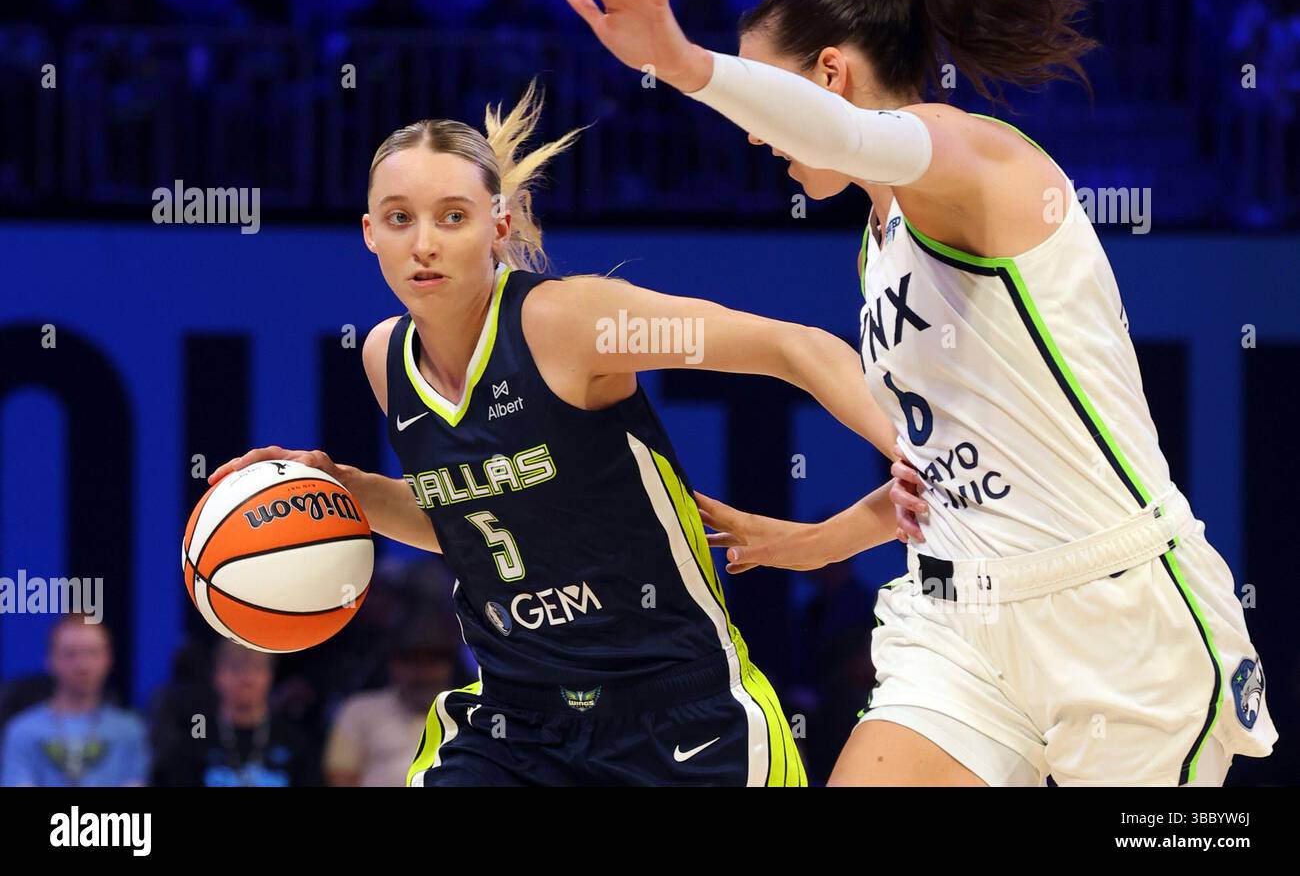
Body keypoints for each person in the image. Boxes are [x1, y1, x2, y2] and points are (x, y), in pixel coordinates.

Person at [559, 0, 1277, 786]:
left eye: (760, 92)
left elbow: (848, 135)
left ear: (830, 73)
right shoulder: (878, 235)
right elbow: (943, 468)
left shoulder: (970, 157)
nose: (751, 131)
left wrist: (685, 65)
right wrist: (820, 541)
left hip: (1116, 618)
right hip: (957, 619)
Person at [209, 78, 918, 787]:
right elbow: (467, 519)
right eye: (399, 219)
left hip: (677, 713)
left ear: (500, 224)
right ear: (369, 233)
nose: (423, 244)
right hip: (516, 725)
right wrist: (343, 493)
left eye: (451, 217)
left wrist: (913, 451)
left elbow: (795, 346)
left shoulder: (571, 326)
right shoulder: (384, 359)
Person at [1, 614, 148, 787]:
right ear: (50, 660)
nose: (82, 666)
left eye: (92, 653)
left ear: (108, 659)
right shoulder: (22, 731)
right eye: (71, 654)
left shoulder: (129, 730)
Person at [151, 640, 320, 787]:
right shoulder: (196, 738)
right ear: (217, 675)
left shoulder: (295, 740)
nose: (246, 679)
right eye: (236, 668)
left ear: (270, 676)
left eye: (256, 668)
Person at [324, 615, 459, 787]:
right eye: (411, 661)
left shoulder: (470, 713)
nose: (422, 673)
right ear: (392, 664)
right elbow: (340, 776)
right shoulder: (361, 709)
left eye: (433, 661)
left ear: (449, 666)